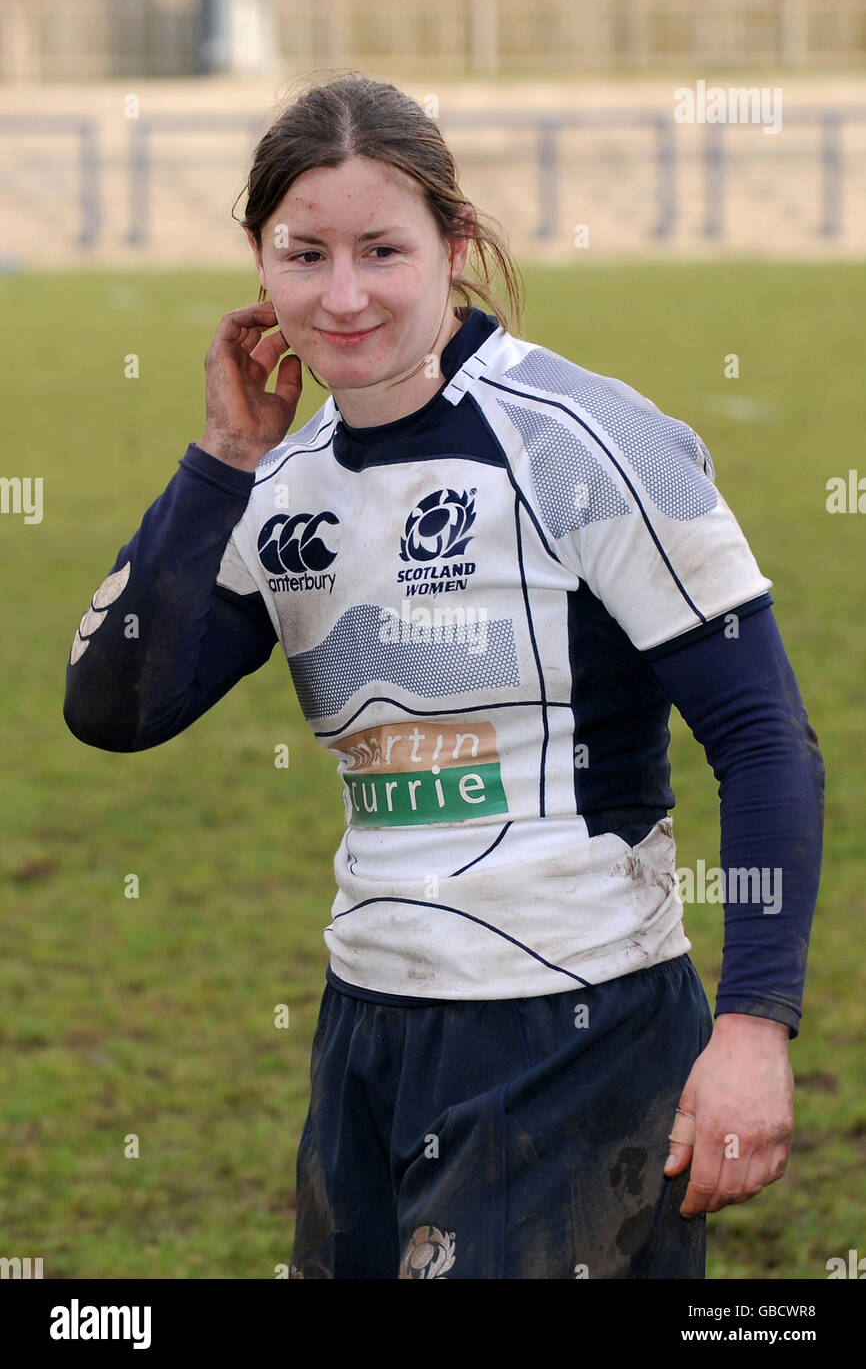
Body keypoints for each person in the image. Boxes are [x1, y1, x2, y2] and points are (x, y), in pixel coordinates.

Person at [63, 72, 824, 1280]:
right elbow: (115, 710)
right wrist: (221, 460)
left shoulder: (584, 441)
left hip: (579, 1030)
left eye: (383, 249)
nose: (343, 294)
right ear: (257, 262)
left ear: (453, 247)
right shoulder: (283, 477)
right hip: (368, 1017)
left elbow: (765, 739)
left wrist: (752, 1026)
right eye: (302, 253)